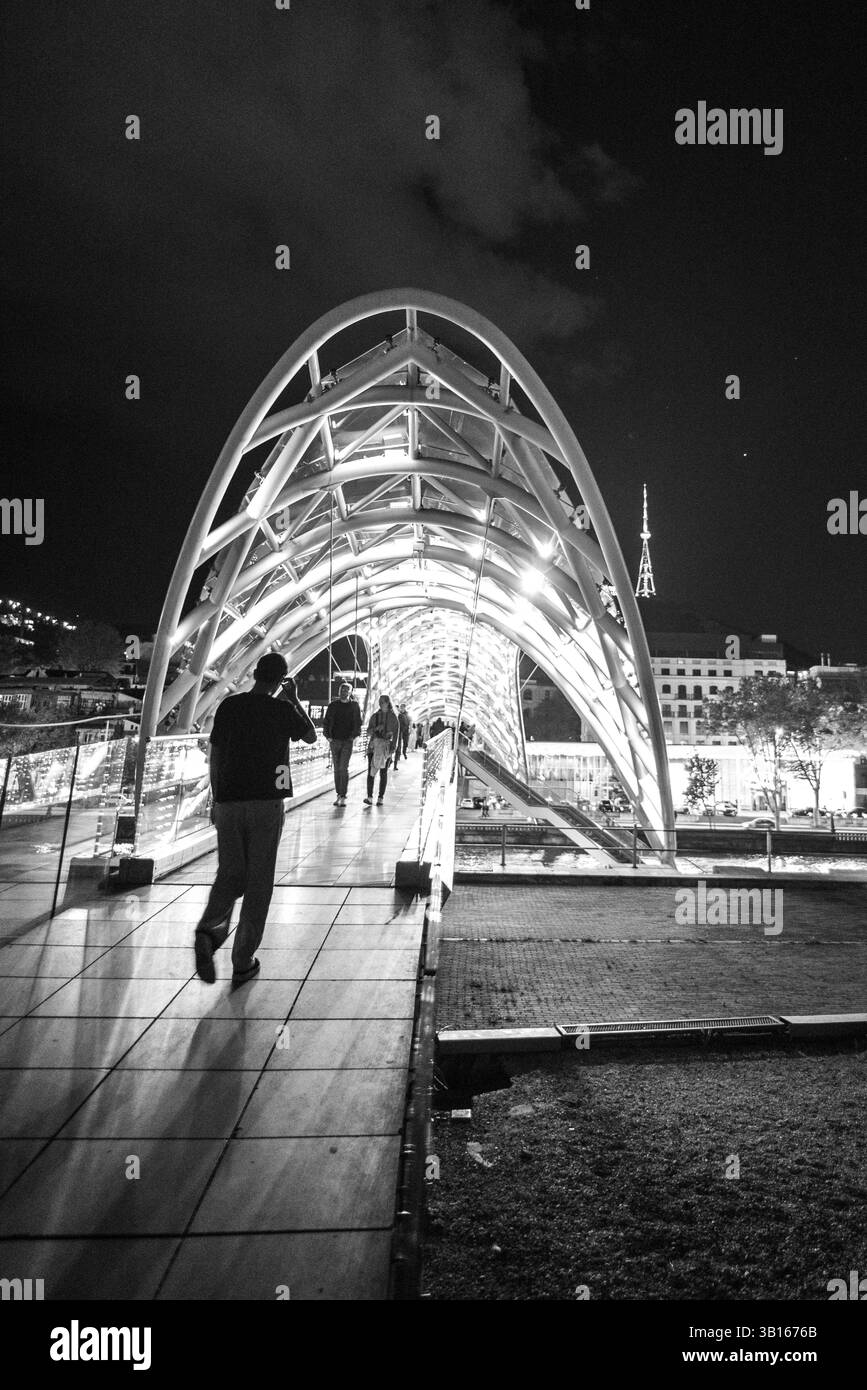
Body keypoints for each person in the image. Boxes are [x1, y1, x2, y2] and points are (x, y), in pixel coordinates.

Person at [193, 653, 317, 986]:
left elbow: (215, 753)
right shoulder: (282, 710)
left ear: (255, 673)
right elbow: (310, 736)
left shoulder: (230, 707)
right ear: (281, 679)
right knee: (259, 881)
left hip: (229, 800)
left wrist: (216, 797)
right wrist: (293, 698)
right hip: (267, 800)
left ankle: (209, 930)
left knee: (230, 873)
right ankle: (242, 959)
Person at [323, 680, 361, 806]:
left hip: (346, 741)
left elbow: (357, 722)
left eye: (346, 690)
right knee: (336, 769)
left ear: (350, 693)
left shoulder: (354, 706)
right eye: (341, 690)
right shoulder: (333, 705)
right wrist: (328, 737)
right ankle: (339, 794)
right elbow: (327, 721)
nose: (343, 692)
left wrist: (353, 737)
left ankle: (343, 795)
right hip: (334, 741)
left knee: (343, 768)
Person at [364, 694, 399, 805]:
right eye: (379, 701)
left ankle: (380, 797)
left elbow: (396, 734)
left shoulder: (393, 718)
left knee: (383, 772)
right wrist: (376, 729)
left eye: (382, 701)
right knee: (371, 771)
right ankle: (369, 797)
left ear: (388, 703)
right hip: (373, 747)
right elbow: (368, 732)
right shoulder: (375, 716)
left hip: (386, 748)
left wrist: (393, 748)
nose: (380, 703)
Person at [393, 702, 412, 769]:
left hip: (403, 731)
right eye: (400, 707)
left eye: (402, 707)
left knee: (404, 744)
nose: (401, 708)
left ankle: (403, 753)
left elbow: (408, 723)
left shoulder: (405, 715)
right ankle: (395, 759)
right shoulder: (396, 714)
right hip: (397, 732)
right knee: (398, 746)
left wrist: (409, 729)